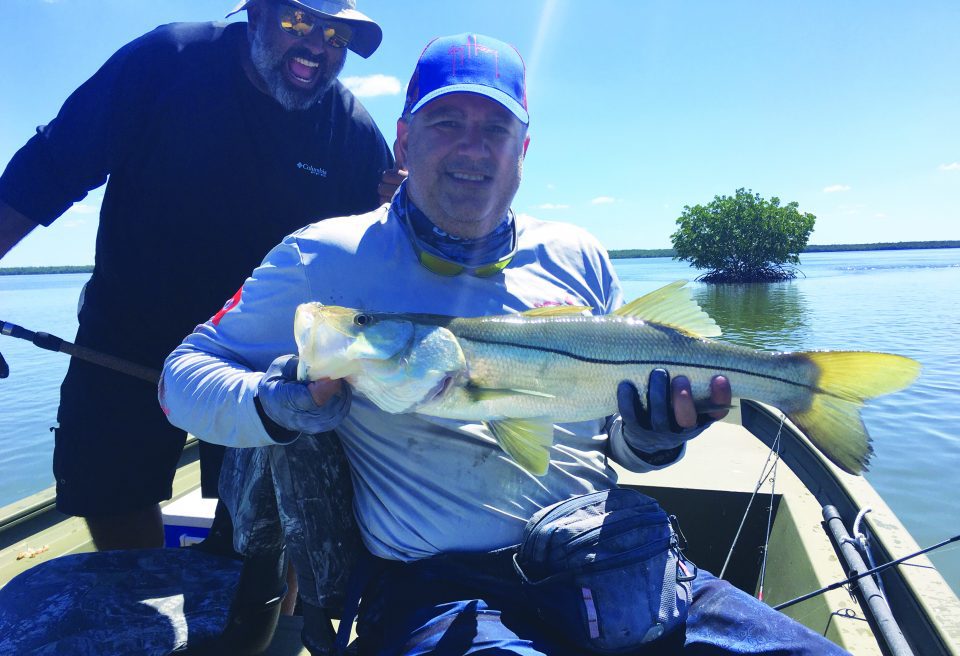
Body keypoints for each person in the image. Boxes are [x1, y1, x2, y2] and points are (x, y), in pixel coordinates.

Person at [160, 33, 850, 655]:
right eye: (446, 123)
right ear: (403, 141)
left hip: (607, 555)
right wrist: (272, 404)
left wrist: (651, 440)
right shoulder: (324, 258)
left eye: (495, 128)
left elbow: (613, 437)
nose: (472, 147)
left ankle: (806, 385)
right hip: (438, 587)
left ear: (523, 149)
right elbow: (180, 378)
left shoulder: (578, 253)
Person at [0, 0, 395, 552]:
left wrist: (400, 209)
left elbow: (382, 250)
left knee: (263, 526)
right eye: (298, 21)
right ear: (254, 14)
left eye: (336, 35)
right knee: (109, 496)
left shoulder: (350, 132)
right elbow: (49, 165)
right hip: (126, 337)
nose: (317, 47)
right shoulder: (167, 61)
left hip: (259, 362)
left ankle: (247, 607)